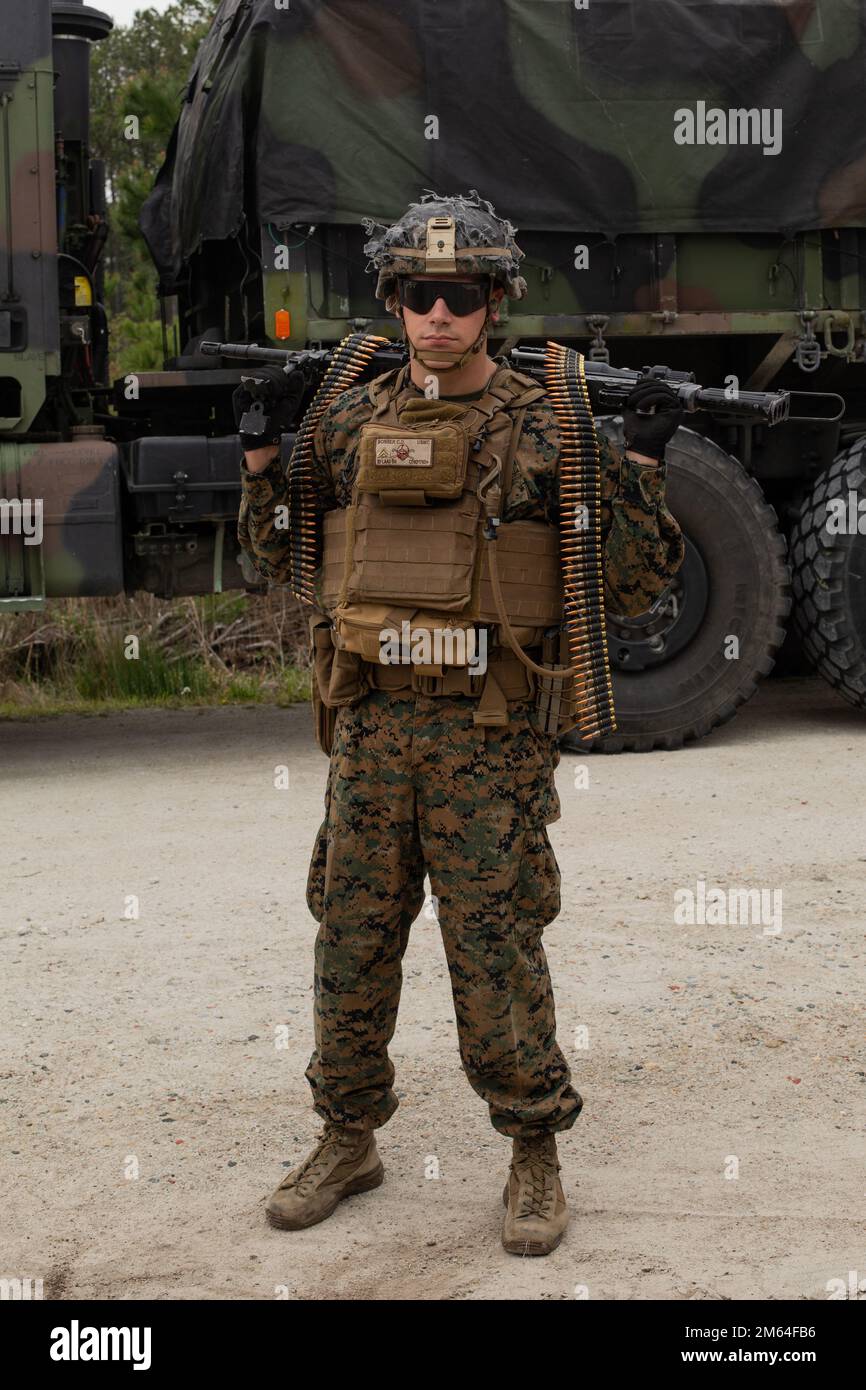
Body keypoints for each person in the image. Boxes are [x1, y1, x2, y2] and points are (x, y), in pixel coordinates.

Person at [235, 190, 685, 1256]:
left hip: (485, 733)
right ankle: (347, 1136)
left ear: (495, 303)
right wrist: (259, 461)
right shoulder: (345, 420)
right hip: (371, 727)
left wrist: (639, 467)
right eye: (418, 295)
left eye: (461, 295)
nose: (438, 315)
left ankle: (533, 1151)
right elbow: (276, 556)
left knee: (494, 950)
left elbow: (632, 583)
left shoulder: (543, 425)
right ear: (392, 303)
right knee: (349, 940)